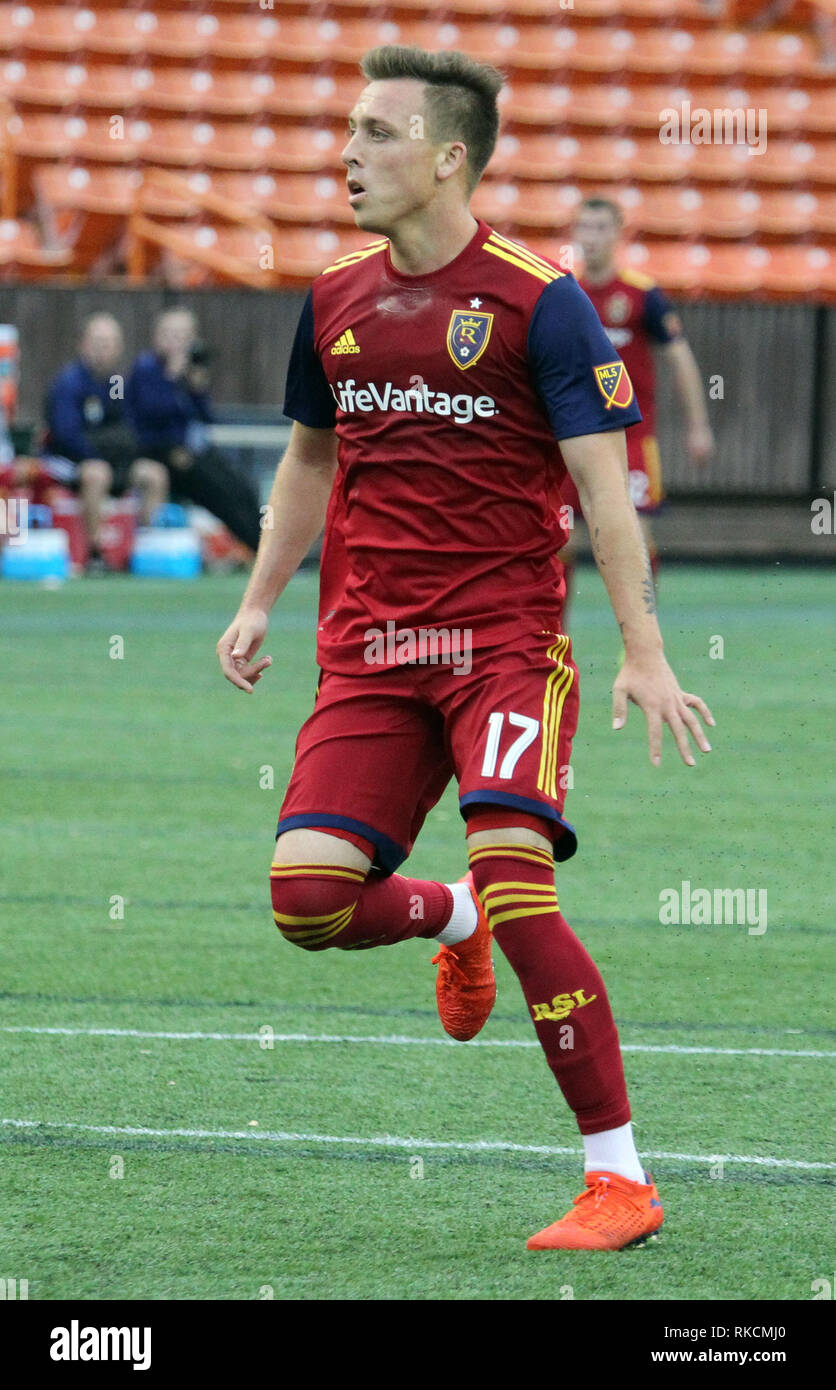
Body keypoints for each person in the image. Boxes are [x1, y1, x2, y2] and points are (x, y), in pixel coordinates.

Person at [217, 46, 715, 1253]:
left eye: (375, 132)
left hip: (500, 645)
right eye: (346, 129)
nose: (346, 153)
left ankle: (619, 1179)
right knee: (305, 902)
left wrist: (641, 651)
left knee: (521, 874)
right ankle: (447, 923)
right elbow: (306, 465)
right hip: (368, 651)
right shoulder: (331, 296)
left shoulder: (543, 300)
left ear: (448, 159)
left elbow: (605, 490)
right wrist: (258, 596)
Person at [557, 198, 715, 619]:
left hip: (631, 438)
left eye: (600, 228)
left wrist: (698, 426)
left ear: (618, 233)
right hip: (574, 438)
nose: (591, 237)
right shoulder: (564, 293)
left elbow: (680, 358)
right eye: (584, 228)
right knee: (561, 539)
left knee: (637, 535)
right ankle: (553, 634)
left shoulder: (643, 295)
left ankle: (642, 640)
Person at [127, 308, 262, 554]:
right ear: (157, 336)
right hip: (161, 452)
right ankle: (258, 548)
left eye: (182, 336)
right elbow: (152, 413)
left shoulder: (188, 373)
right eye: (170, 334)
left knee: (243, 487)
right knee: (221, 493)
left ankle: (266, 547)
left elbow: (205, 417)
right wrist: (172, 377)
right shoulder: (146, 369)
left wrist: (197, 387)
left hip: (193, 451)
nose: (176, 342)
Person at [44, 313, 168, 567]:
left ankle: (143, 549)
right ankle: (95, 552)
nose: (105, 348)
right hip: (69, 461)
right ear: (84, 344)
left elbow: (125, 423)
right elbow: (67, 435)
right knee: (97, 474)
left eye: (111, 342)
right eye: (99, 341)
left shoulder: (116, 382)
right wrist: (98, 454)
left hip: (112, 460)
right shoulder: (69, 383)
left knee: (154, 474)